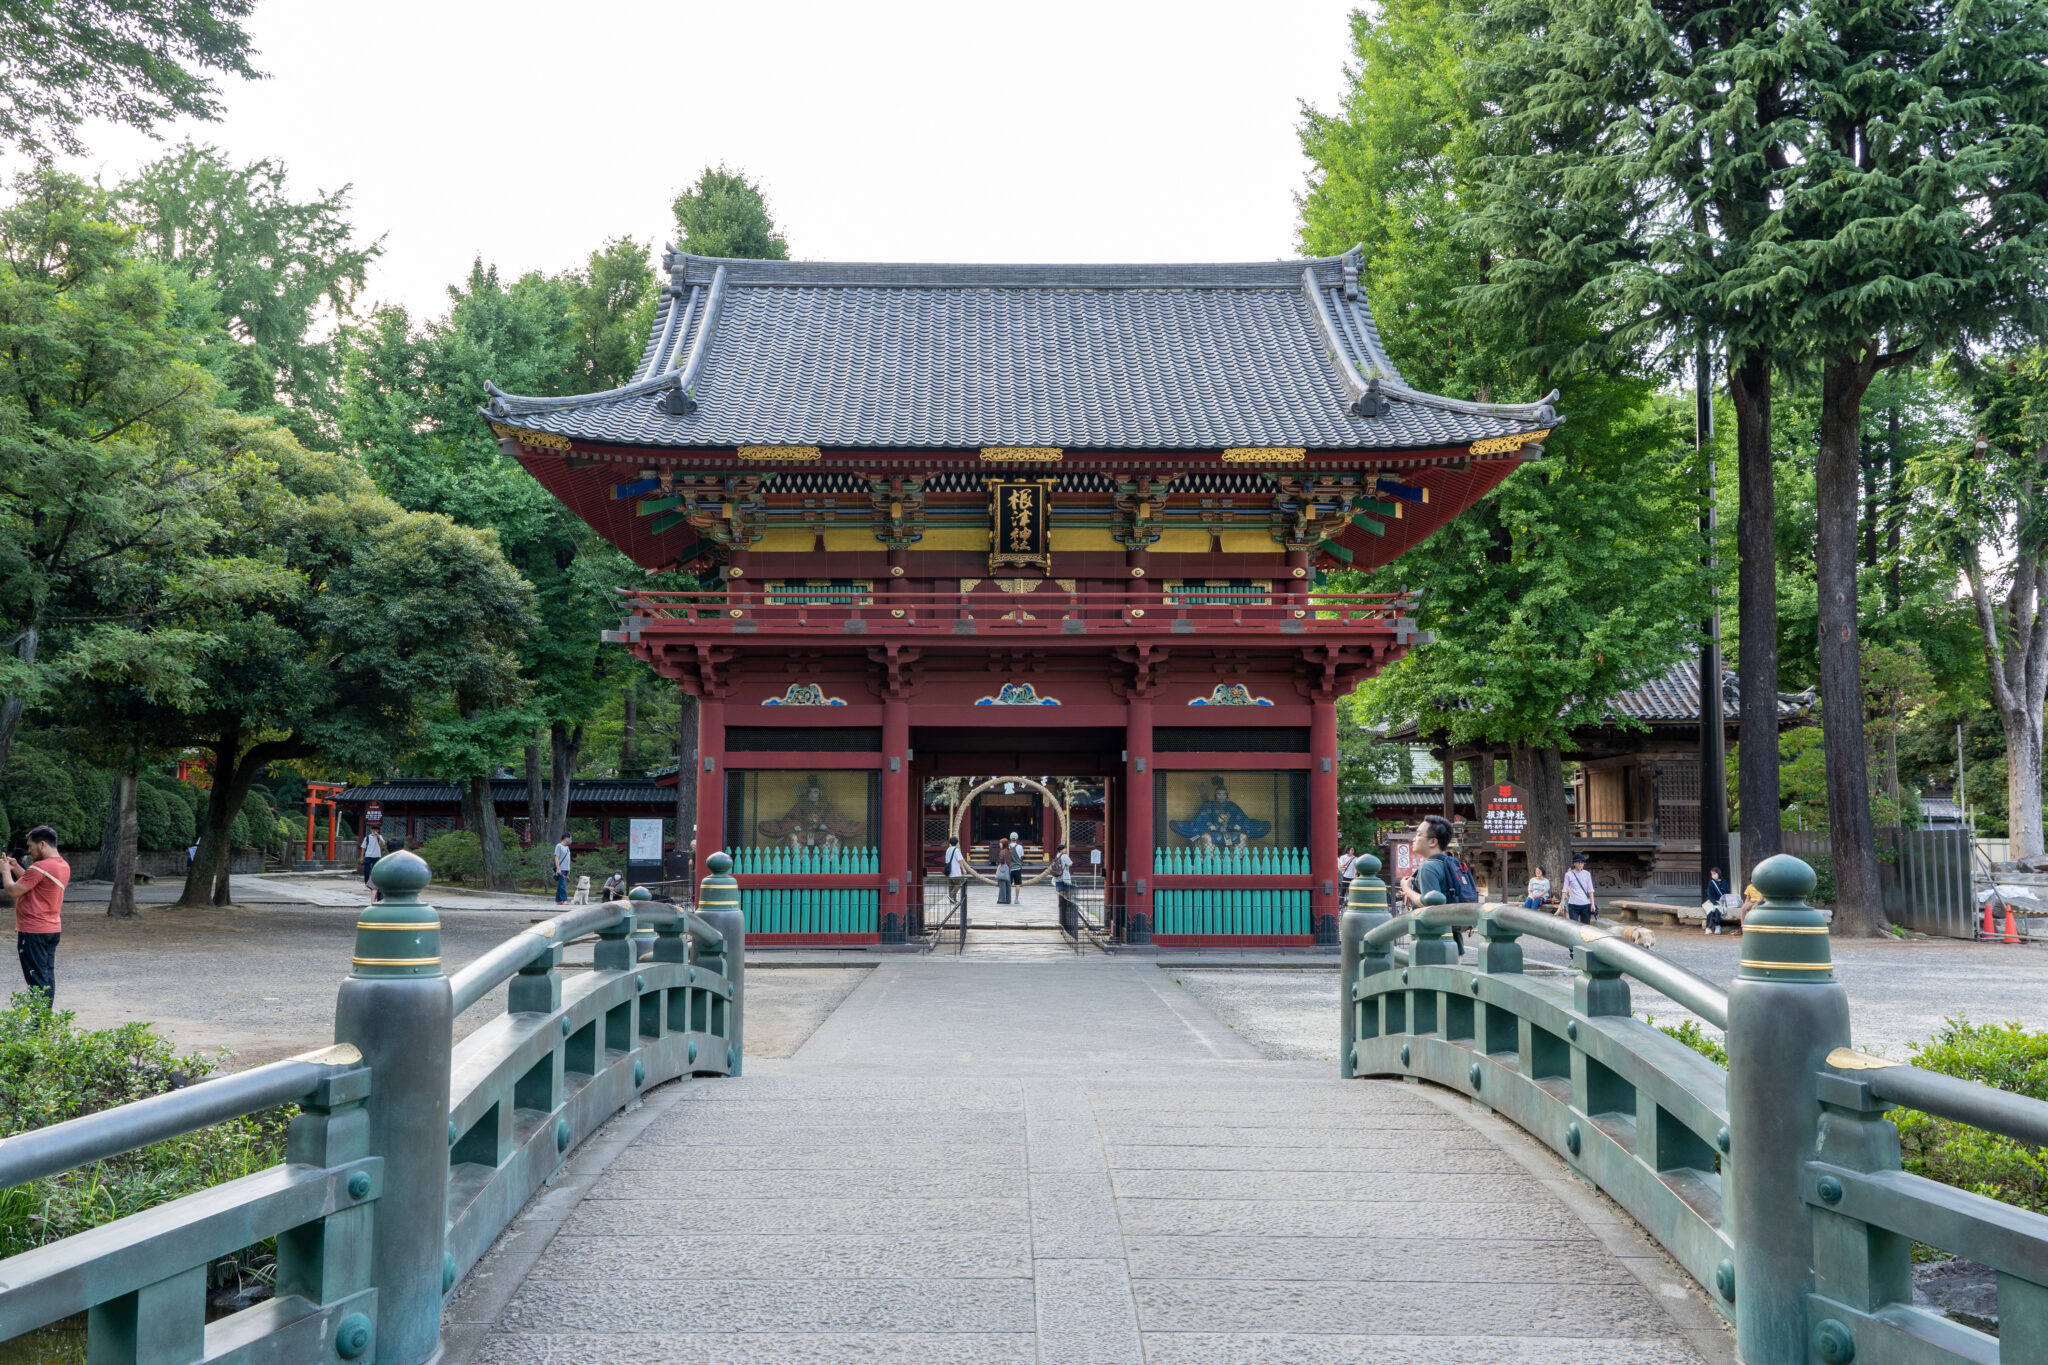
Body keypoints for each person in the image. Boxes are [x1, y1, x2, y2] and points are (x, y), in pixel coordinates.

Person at [4, 826, 70, 1003]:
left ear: (42, 844)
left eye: (31, 846)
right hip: (52, 929)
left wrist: (4, 872)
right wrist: (16, 867)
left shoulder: (40, 867)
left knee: (36, 980)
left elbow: (12, 890)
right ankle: (44, 1021)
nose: (29, 850)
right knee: (47, 976)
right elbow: (34, 882)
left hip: (33, 931)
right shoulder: (62, 865)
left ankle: (37, 1025)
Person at [1396, 815, 1466, 956]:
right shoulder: (1452, 863)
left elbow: (1430, 905)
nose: (1414, 839)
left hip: (1434, 944)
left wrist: (1407, 888)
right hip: (1454, 942)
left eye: (1419, 834)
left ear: (1433, 841)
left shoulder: (1429, 867)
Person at [1562, 853, 1597, 925]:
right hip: (1573, 904)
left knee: (1585, 926)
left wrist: (1592, 904)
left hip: (1586, 904)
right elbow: (1564, 889)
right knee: (1574, 926)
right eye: (1578, 862)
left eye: (1582, 862)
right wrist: (1562, 903)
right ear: (1574, 863)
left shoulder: (1587, 874)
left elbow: (1590, 890)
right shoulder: (1568, 874)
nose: (1580, 864)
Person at [944, 836, 969, 917]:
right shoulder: (956, 850)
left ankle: (953, 900)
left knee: (951, 885)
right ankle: (951, 895)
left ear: (950, 843)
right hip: (956, 871)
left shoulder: (948, 850)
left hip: (949, 871)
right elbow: (960, 860)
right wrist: (963, 869)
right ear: (957, 842)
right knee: (958, 884)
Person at [1052, 842, 1075, 926]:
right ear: (1061, 850)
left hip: (1057, 876)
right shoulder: (1064, 856)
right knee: (1067, 889)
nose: (1066, 849)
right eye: (1064, 848)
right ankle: (1067, 902)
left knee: (1058, 889)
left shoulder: (1056, 856)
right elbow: (1070, 863)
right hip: (1064, 875)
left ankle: (1060, 902)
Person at [1703, 866, 1731, 934]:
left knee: (1718, 910)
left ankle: (1718, 926)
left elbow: (1727, 892)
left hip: (1721, 901)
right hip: (1712, 900)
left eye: (1715, 873)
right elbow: (1709, 894)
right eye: (1712, 874)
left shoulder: (1724, 882)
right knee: (1711, 910)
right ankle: (1708, 927)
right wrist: (1714, 902)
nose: (1713, 875)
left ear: (1718, 873)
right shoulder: (1711, 883)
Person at [553, 833, 574, 904]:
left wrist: (569, 869)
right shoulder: (559, 846)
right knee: (562, 885)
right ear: (566, 838)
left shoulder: (567, 848)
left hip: (566, 868)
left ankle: (558, 900)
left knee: (561, 885)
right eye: (570, 839)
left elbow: (568, 859)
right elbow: (556, 857)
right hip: (561, 868)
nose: (571, 840)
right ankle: (564, 899)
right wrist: (558, 868)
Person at [993, 835, 1012, 905]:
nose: (999, 844)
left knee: (1002, 885)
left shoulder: (1002, 851)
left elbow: (1000, 862)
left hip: (1003, 869)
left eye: (1000, 843)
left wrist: (997, 871)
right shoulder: (1009, 851)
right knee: (1008, 885)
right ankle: (1008, 899)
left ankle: (1002, 899)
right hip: (1008, 869)